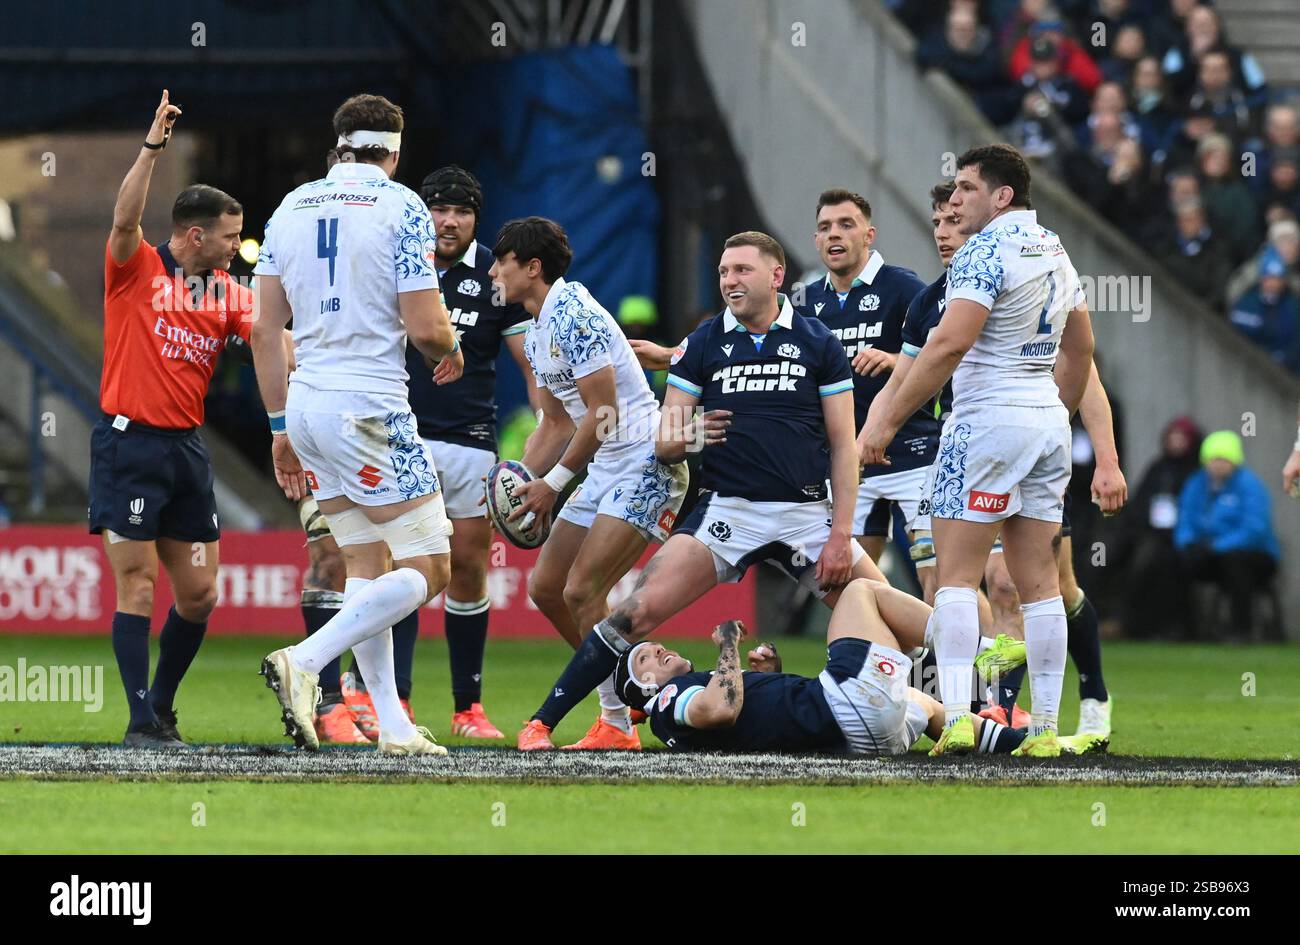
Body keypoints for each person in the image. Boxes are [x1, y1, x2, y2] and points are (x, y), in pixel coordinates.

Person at [517, 231, 882, 750]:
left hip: (805, 514)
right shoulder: (704, 342)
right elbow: (665, 445)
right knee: (631, 614)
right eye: (723, 272)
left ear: (776, 277)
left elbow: (845, 445)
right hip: (725, 512)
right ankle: (546, 723)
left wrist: (842, 533)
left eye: (742, 270)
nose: (730, 280)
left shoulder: (818, 341)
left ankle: (980, 715)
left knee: (889, 607)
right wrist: (688, 434)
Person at [860, 144, 1095, 758]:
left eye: (966, 187)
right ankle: (1044, 731)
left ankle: (960, 719)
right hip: (1045, 423)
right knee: (1041, 585)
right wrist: (1057, 416)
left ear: (1001, 196)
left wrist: (884, 421)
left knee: (957, 580)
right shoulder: (1053, 247)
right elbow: (1081, 348)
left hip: (986, 420)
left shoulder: (984, 251)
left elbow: (947, 347)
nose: (955, 198)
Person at [251, 93, 463, 755]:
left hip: (308, 405)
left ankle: (393, 727)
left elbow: (263, 330)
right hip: (369, 405)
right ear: (394, 152)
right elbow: (427, 327)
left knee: (367, 565)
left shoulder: (290, 207)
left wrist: (280, 426)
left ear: (339, 144)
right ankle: (308, 661)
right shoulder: (401, 206)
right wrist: (450, 348)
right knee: (432, 566)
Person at [94, 90, 270, 749]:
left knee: (199, 594)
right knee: (137, 582)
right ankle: (141, 719)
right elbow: (123, 221)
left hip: (186, 454)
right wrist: (152, 146)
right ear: (195, 234)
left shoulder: (225, 291)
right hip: (129, 447)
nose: (237, 246)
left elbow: (271, 341)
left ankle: (161, 704)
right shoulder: (135, 269)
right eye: (230, 236)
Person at [339, 166, 537, 742]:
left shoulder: (495, 279)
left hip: (470, 441)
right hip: (400, 434)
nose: (448, 221)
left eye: (462, 211)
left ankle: (467, 708)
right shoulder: (395, 262)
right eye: (438, 209)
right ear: (421, 212)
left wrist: (543, 434)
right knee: (404, 569)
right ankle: (389, 698)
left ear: (477, 217)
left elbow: (529, 365)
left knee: (470, 569)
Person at [491, 217, 689, 751]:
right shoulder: (537, 333)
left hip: (646, 460)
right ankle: (638, 689)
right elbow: (555, 423)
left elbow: (603, 413)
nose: (492, 271)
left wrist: (552, 485)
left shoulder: (575, 315)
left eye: (500, 260)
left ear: (532, 268)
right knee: (545, 588)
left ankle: (619, 719)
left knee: (583, 591)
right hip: (605, 464)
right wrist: (520, 484)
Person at [795, 189, 927, 568]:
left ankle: (978, 631)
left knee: (940, 579)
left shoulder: (903, 287)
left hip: (914, 452)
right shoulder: (803, 303)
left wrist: (892, 358)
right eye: (825, 227)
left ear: (869, 235)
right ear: (816, 240)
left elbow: (947, 354)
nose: (834, 233)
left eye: (845, 224)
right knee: (851, 581)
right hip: (848, 462)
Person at [1175, 430, 1281, 637]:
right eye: (1213, 459)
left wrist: (1217, 546)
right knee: (1176, 561)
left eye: (1224, 460)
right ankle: (1184, 629)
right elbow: (1185, 519)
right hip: (1211, 553)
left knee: (1236, 564)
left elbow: (1255, 529)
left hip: (1253, 555)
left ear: (1235, 461)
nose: (1218, 465)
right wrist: (1188, 544)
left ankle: (1241, 630)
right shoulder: (1197, 484)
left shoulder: (1249, 485)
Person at [1114, 415, 1202, 638]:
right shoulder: (1158, 468)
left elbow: (1195, 510)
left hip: (1181, 535)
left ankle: (1171, 628)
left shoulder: (1196, 474)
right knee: (1123, 557)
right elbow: (1140, 502)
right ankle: (1127, 623)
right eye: (1173, 437)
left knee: (1163, 564)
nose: (1176, 442)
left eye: (1181, 438)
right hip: (1150, 532)